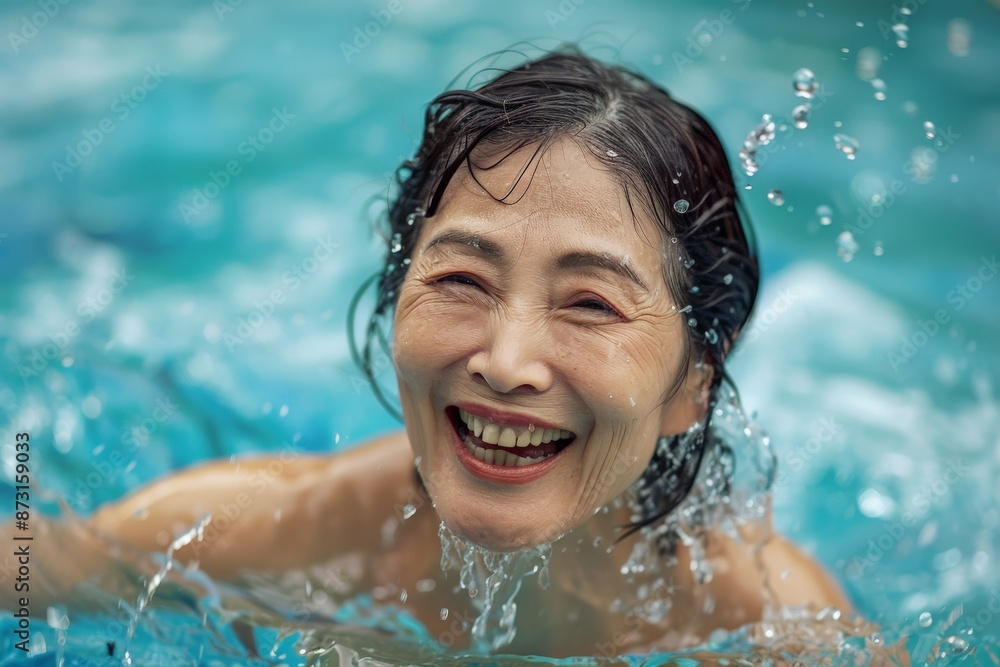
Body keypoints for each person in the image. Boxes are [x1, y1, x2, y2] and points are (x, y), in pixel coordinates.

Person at [13, 47, 852, 658]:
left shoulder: (775, 629)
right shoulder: (250, 540)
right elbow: (25, 577)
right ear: (395, 298)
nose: (505, 358)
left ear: (691, 387)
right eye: (462, 279)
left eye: (591, 303)